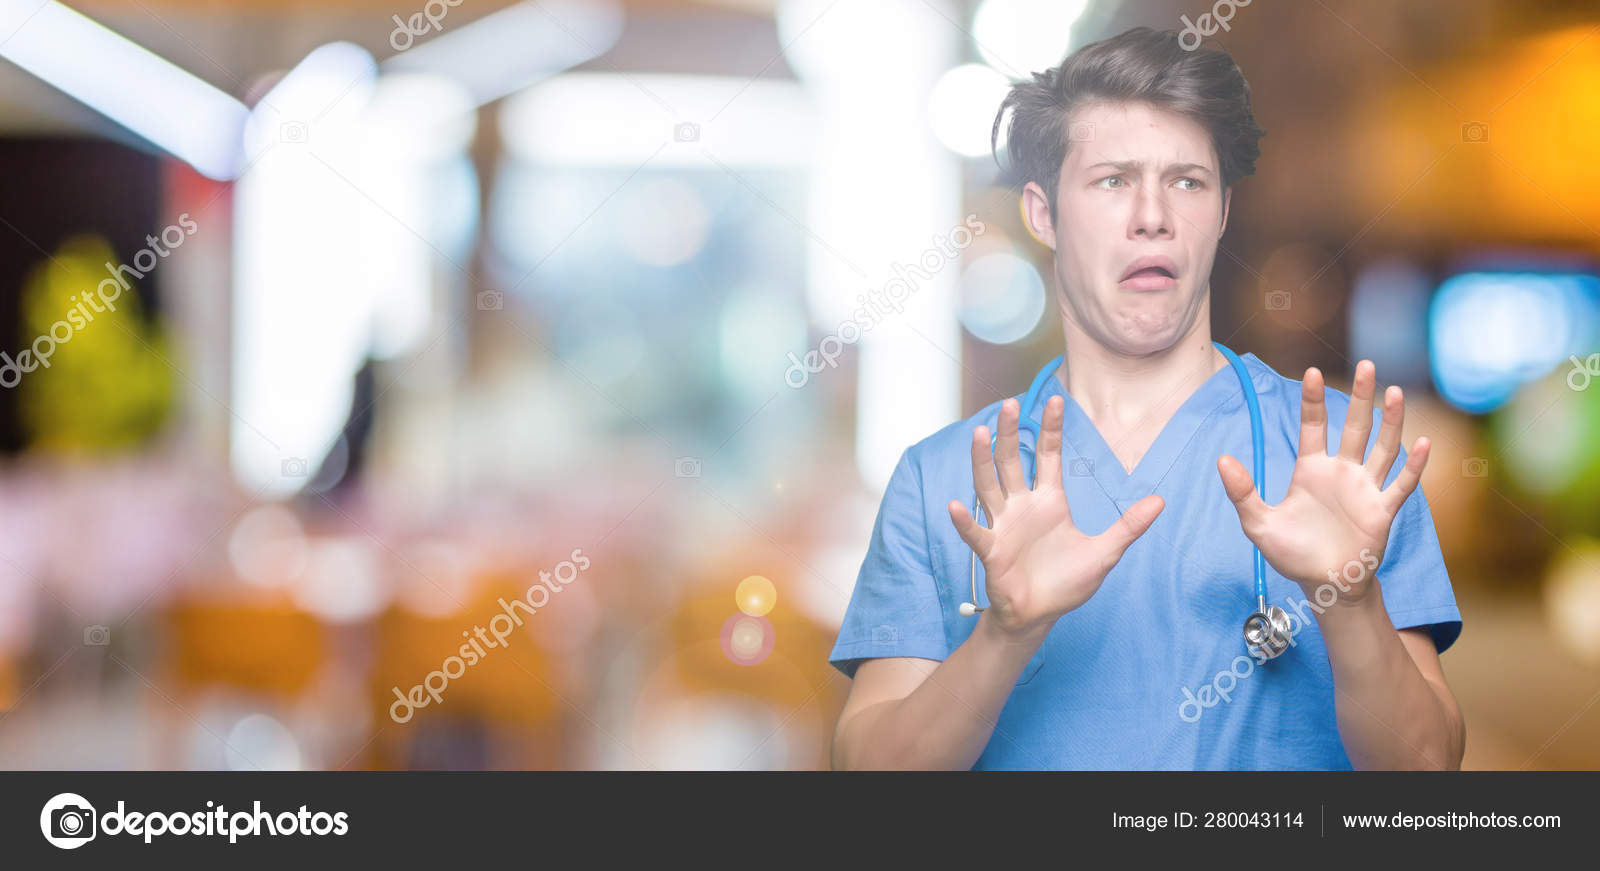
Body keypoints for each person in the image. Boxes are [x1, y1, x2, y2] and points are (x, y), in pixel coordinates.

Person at [827, 27, 1465, 770]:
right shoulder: (940, 483)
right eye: (1112, 180)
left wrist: (1350, 603)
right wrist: (1003, 636)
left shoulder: (1347, 469)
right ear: (1043, 214)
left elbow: (1427, 771)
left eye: (1188, 181)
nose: (1153, 214)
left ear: (1222, 211)